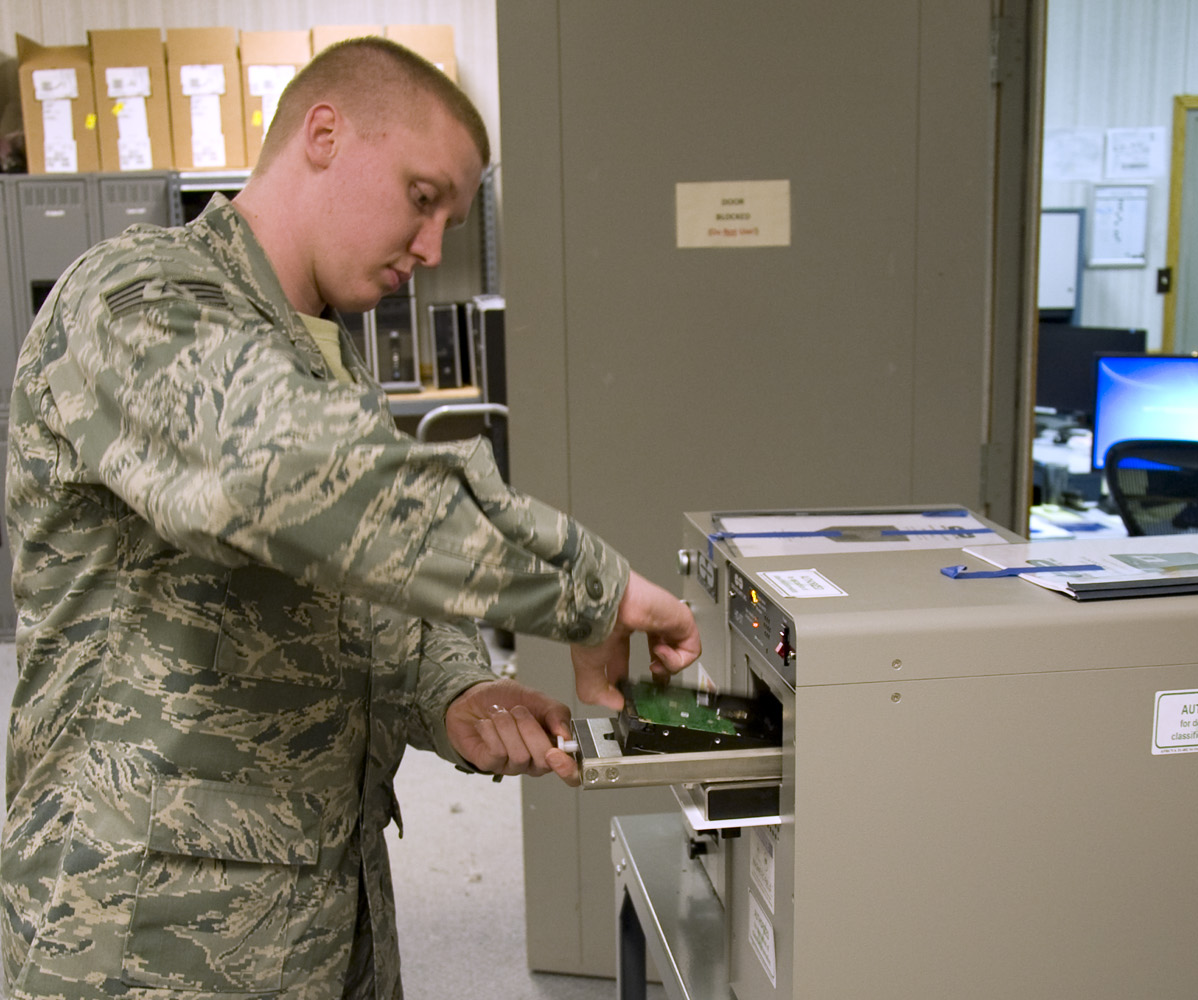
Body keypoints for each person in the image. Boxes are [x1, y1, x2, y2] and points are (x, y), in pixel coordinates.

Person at [1, 36, 699, 1000]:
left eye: (451, 220)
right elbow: (293, 479)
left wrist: (455, 690)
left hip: (315, 916)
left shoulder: (316, 361)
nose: (431, 248)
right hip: (145, 941)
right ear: (323, 134)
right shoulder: (139, 301)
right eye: (422, 198)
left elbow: (356, 601)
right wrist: (589, 591)